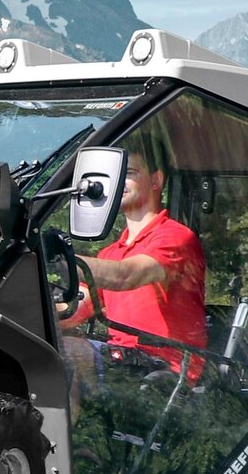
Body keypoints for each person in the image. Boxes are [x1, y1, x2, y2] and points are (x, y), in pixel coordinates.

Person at [58, 139, 207, 383]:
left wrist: (56, 256)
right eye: (113, 176)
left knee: (67, 352)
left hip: (163, 368)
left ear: (156, 180)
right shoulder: (111, 253)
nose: (117, 183)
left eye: (127, 174)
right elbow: (74, 311)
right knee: (44, 348)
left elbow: (127, 276)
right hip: (124, 361)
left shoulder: (176, 237)